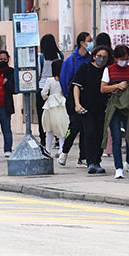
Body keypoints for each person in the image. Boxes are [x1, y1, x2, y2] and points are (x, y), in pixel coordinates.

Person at [101, 45, 129, 179]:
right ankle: (118, 167)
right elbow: (103, 88)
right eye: (122, 59)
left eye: (127, 59)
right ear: (116, 58)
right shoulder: (109, 70)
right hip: (114, 107)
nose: (125, 61)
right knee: (117, 138)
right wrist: (117, 86)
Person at [72, 44, 111, 175]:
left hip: (101, 108)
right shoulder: (85, 68)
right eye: (99, 56)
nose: (102, 59)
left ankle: (97, 160)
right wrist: (77, 104)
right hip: (86, 107)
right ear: (94, 56)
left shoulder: (107, 71)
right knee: (89, 133)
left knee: (100, 134)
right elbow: (76, 86)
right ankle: (90, 162)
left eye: (105, 57)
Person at [57, 32, 93, 167]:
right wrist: (71, 98)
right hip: (73, 100)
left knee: (87, 129)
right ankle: (64, 151)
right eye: (89, 40)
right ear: (82, 43)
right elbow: (64, 81)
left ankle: (83, 156)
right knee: (74, 127)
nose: (91, 42)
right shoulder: (70, 61)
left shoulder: (91, 59)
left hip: (88, 99)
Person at [36, 34, 62, 146]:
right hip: (56, 87)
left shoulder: (41, 57)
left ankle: (43, 138)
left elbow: (38, 73)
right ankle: (58, 138)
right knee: (56, 114)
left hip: (42, 86)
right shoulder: (59, 56)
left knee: (42, 115)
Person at [40, 69, 69, 157]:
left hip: (51, 104)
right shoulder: (65, 79)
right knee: (62, 127)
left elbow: (43, 92)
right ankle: (61, 148)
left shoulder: (49, 80)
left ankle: (48, 149)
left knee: (49, 129)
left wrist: (47, 97)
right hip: (62, 103)